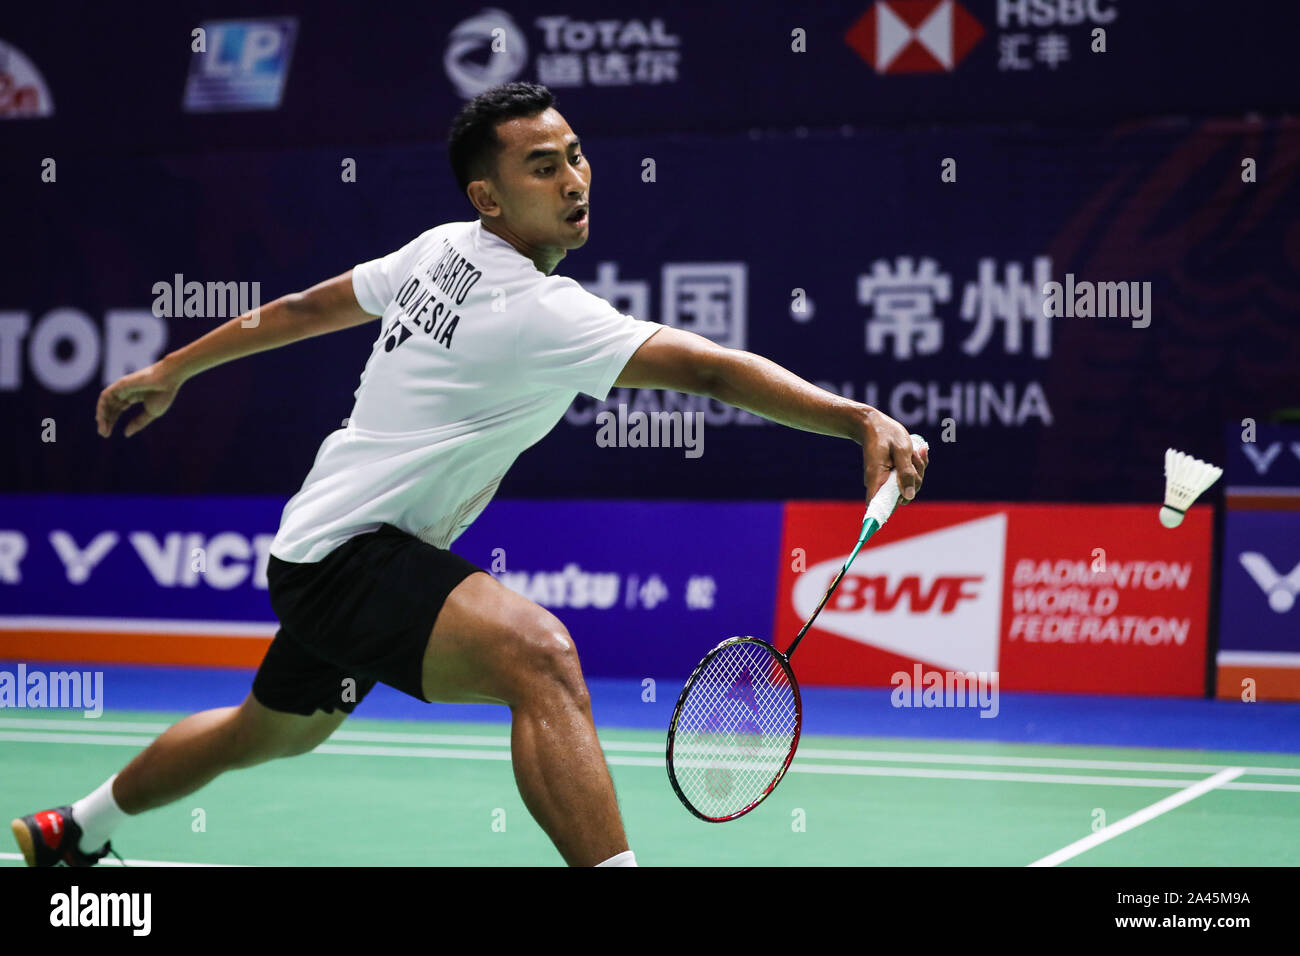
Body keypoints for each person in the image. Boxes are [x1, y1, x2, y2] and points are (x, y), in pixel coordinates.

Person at [10, 82, 927, 868]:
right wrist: (856, 418)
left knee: (263, 732)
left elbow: (296, 310)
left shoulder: (436, 249)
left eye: (575, 155)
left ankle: (69, 831)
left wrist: (175, 368)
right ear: (489, 196)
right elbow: (708, 369)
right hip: (350, 557)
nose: (572, 180)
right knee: (542, 659)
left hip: (319, 554)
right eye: (542, 167)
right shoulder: (538, 308)